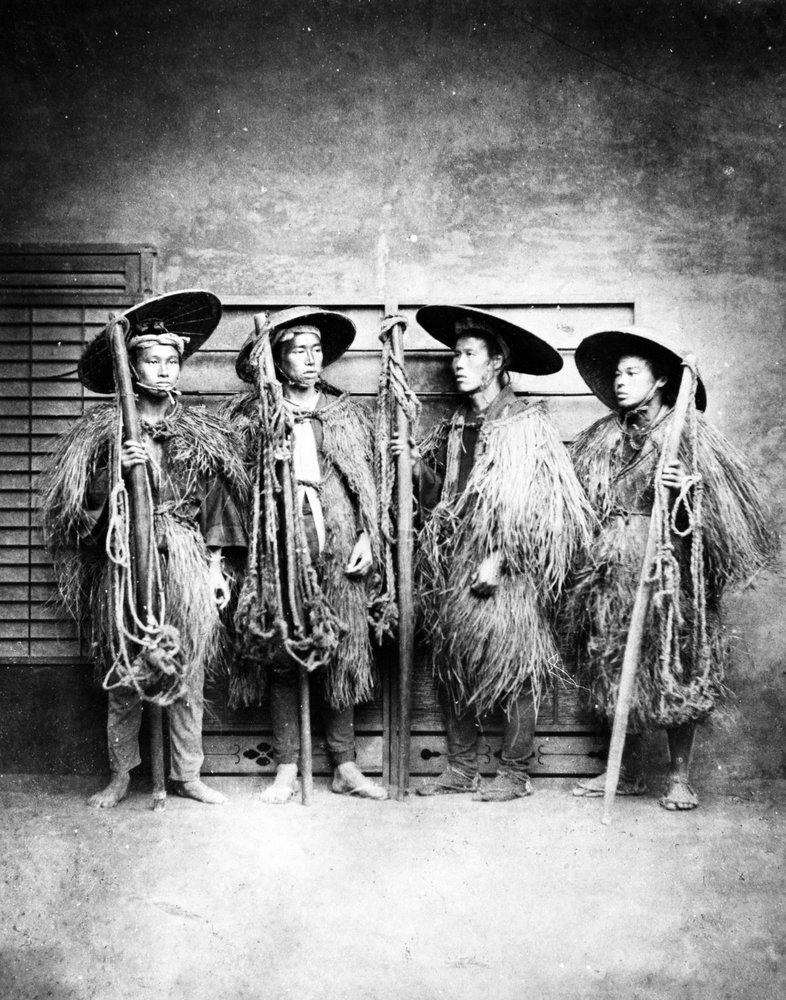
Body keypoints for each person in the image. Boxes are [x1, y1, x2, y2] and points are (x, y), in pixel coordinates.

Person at [40, 291, 247, 808]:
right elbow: (75, 514)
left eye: (171, 361)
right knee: (126, 667)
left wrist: (217, 568)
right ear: (131, 368)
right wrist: (116, 468)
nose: (163, 370)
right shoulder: (101, 434)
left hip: (185, 559)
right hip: (126, 562)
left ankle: (187, 773)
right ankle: (121, 774)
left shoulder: (199, 431)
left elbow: (219, 507)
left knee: (187, 665)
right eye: (151, 361)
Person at [565, 326, 776, 811]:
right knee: (616, 665)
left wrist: (687, 490)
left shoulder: (688, 436)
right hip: (611, 572)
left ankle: (679, 776)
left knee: (673, 664)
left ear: (660, 380)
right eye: (616, 373)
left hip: (667, 573)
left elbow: (723, 523)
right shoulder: (603, 437)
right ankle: (624, 770)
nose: (620, 381)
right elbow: (579, 502)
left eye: (632, 372)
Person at [404, 306, 592, 801]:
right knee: (452, 662)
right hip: (453, 565)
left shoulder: (526, 425)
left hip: (507, 570)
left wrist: (501, 558)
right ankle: (462, 767)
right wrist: (412, 465)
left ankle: (514, 773)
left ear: (495, 364)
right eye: (455, 356)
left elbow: (547, 510)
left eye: (469, 355)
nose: (457, 365)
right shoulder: (455, 426)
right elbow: (438, 499)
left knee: (514, 667)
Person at [224, 307, 389, 802]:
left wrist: (367, 536)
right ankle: (288, 767)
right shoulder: (253, 417)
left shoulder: (344, 413)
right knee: (282, 651)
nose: (311, 360)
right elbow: (235, 486)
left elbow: (369, 483)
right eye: (299, 350)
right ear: (278, 359)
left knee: (338, 650)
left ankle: (344, 764)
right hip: (281, 542)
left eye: (317, 350)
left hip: (336, 541)